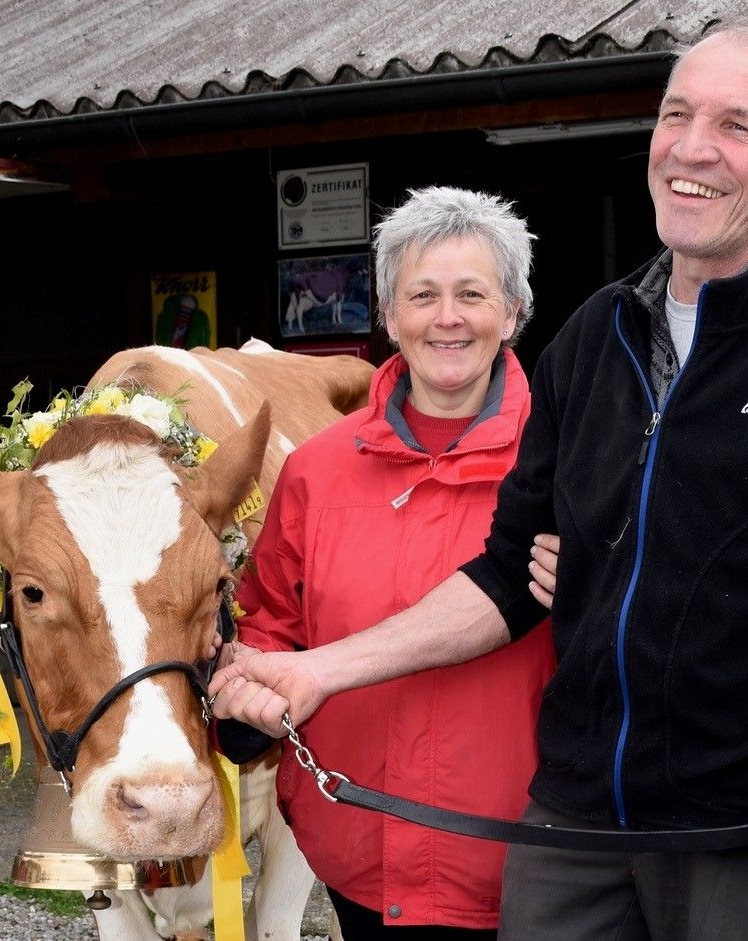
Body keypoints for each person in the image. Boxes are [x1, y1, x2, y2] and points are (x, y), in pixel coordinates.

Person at [212, 18, 748, 941]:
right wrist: (315, 671)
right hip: (572, 824)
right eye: (676, 114)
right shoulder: (595, 336)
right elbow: (504, 579)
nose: (693, 148)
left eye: (737, 126)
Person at [224, 185, 556, 938]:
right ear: (388, 313)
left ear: (512, 312)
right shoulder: (317, 471)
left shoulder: (568, 459)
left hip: (532, 866)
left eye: (473, 293)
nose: (447, 317)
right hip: (361, 853)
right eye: (423, 294)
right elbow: (270, 621)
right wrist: (247, 704)